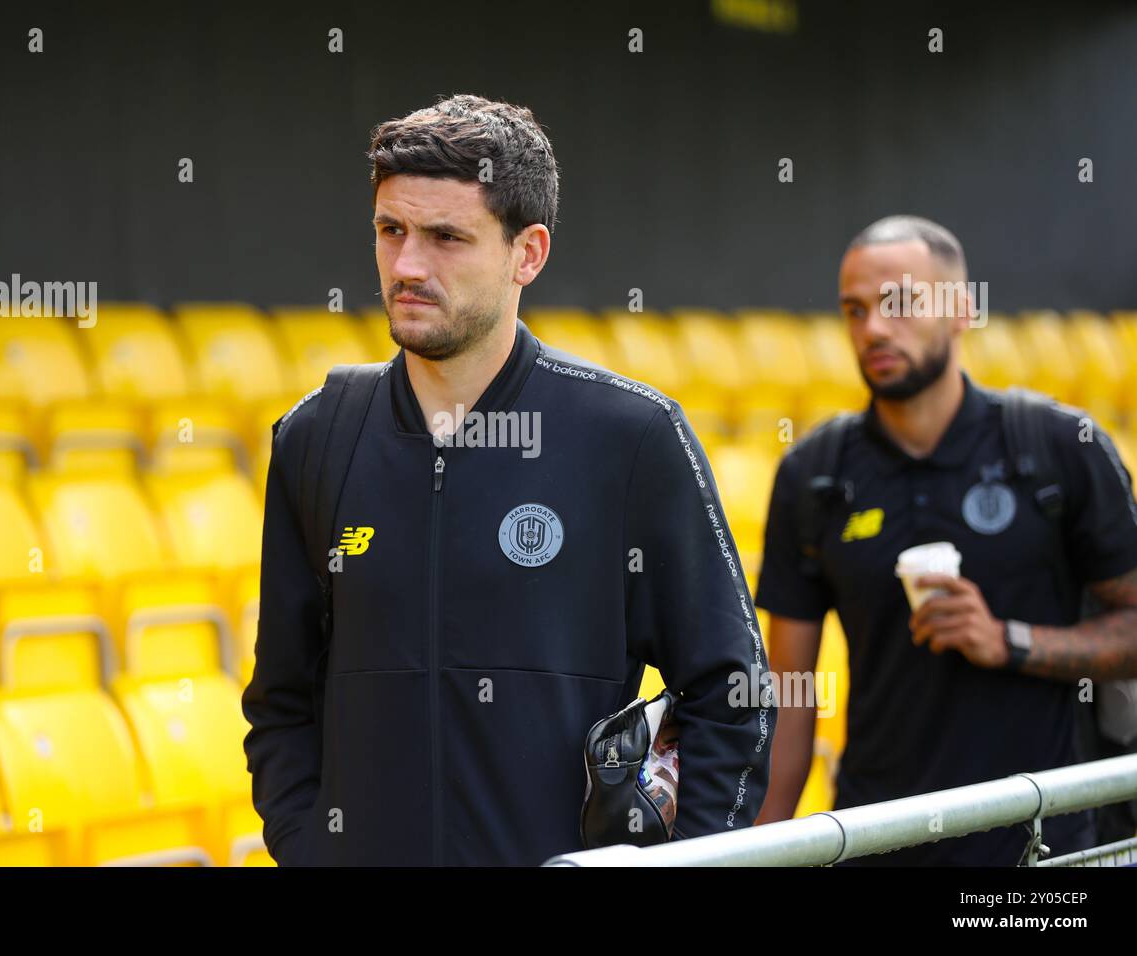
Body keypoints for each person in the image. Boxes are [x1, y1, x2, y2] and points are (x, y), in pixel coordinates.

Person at [242, 93, 772, 866]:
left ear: (528, 253)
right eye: (391, 231)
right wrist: (306, 844)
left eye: (447, 237)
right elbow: (281, 701)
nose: (408, 266)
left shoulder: (630, 437)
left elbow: (736, 695)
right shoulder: (317, 436)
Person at [754, 214, 1137, 865]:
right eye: (854, 310)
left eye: (900, 302)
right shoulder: (814, 473)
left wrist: (1007, 640)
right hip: (878, 841)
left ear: (962, 309)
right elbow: (790, 693)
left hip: (1044, 846)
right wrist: (755, 849)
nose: (873, 327)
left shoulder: (1058, 449)